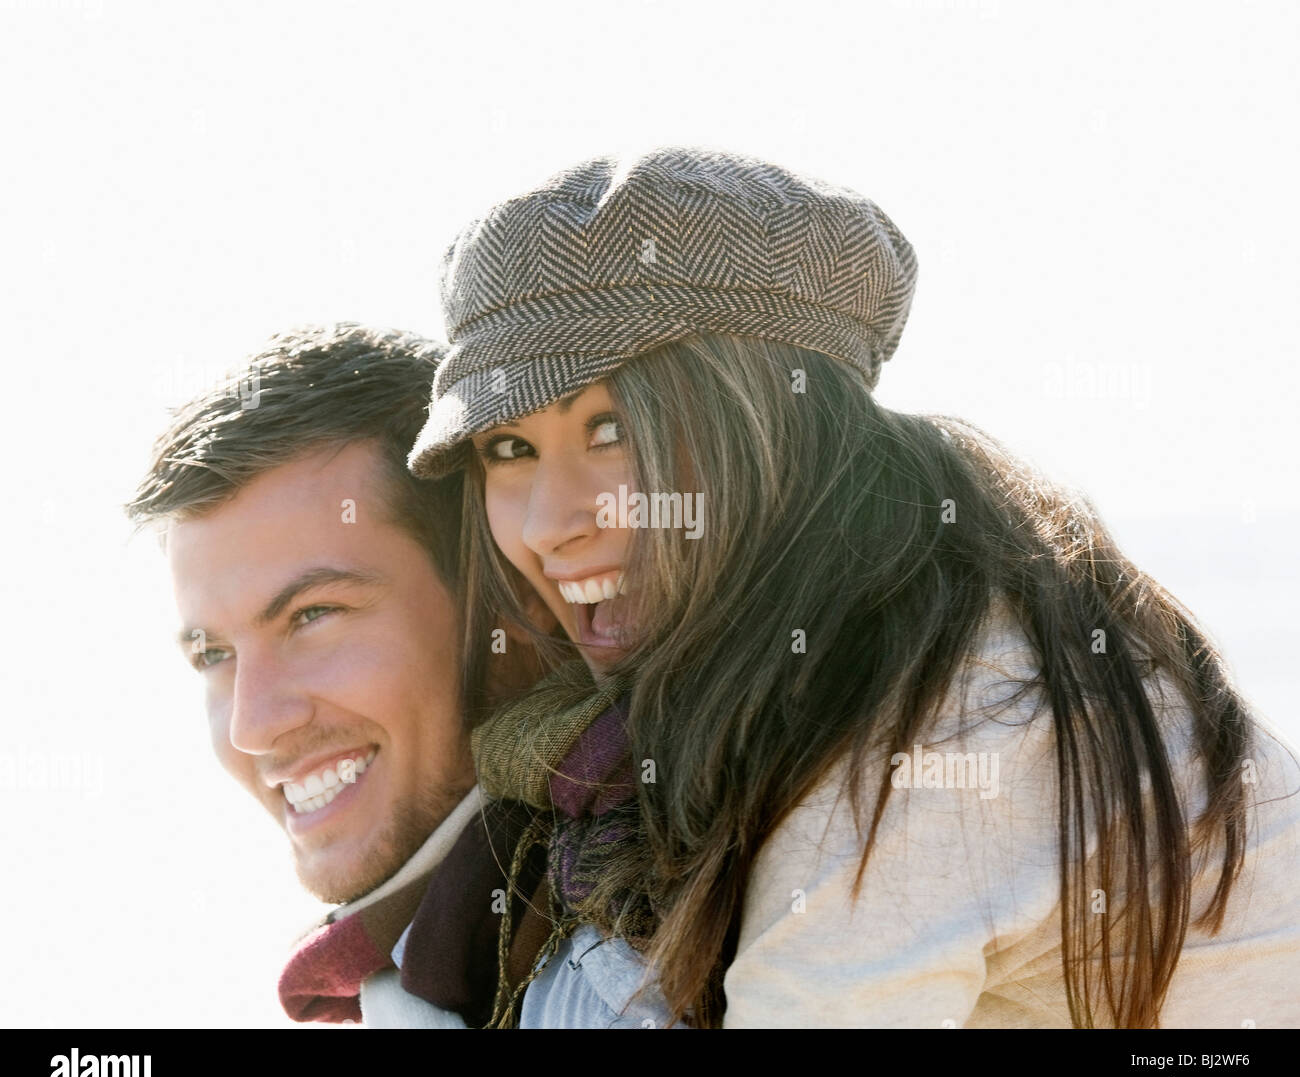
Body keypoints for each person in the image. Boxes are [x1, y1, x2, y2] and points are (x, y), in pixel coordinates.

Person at [408, 146, 1300, 1028]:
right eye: (510, 449)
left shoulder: (935, 735)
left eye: (612, 429)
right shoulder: (885, 625)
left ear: (781, 427)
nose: (546, 525)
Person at [126, 323, 553, 1027]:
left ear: (502, 600)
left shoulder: (660, 945)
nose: (255, 726)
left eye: (312, 615)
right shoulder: (419, 975)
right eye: (213, 655)